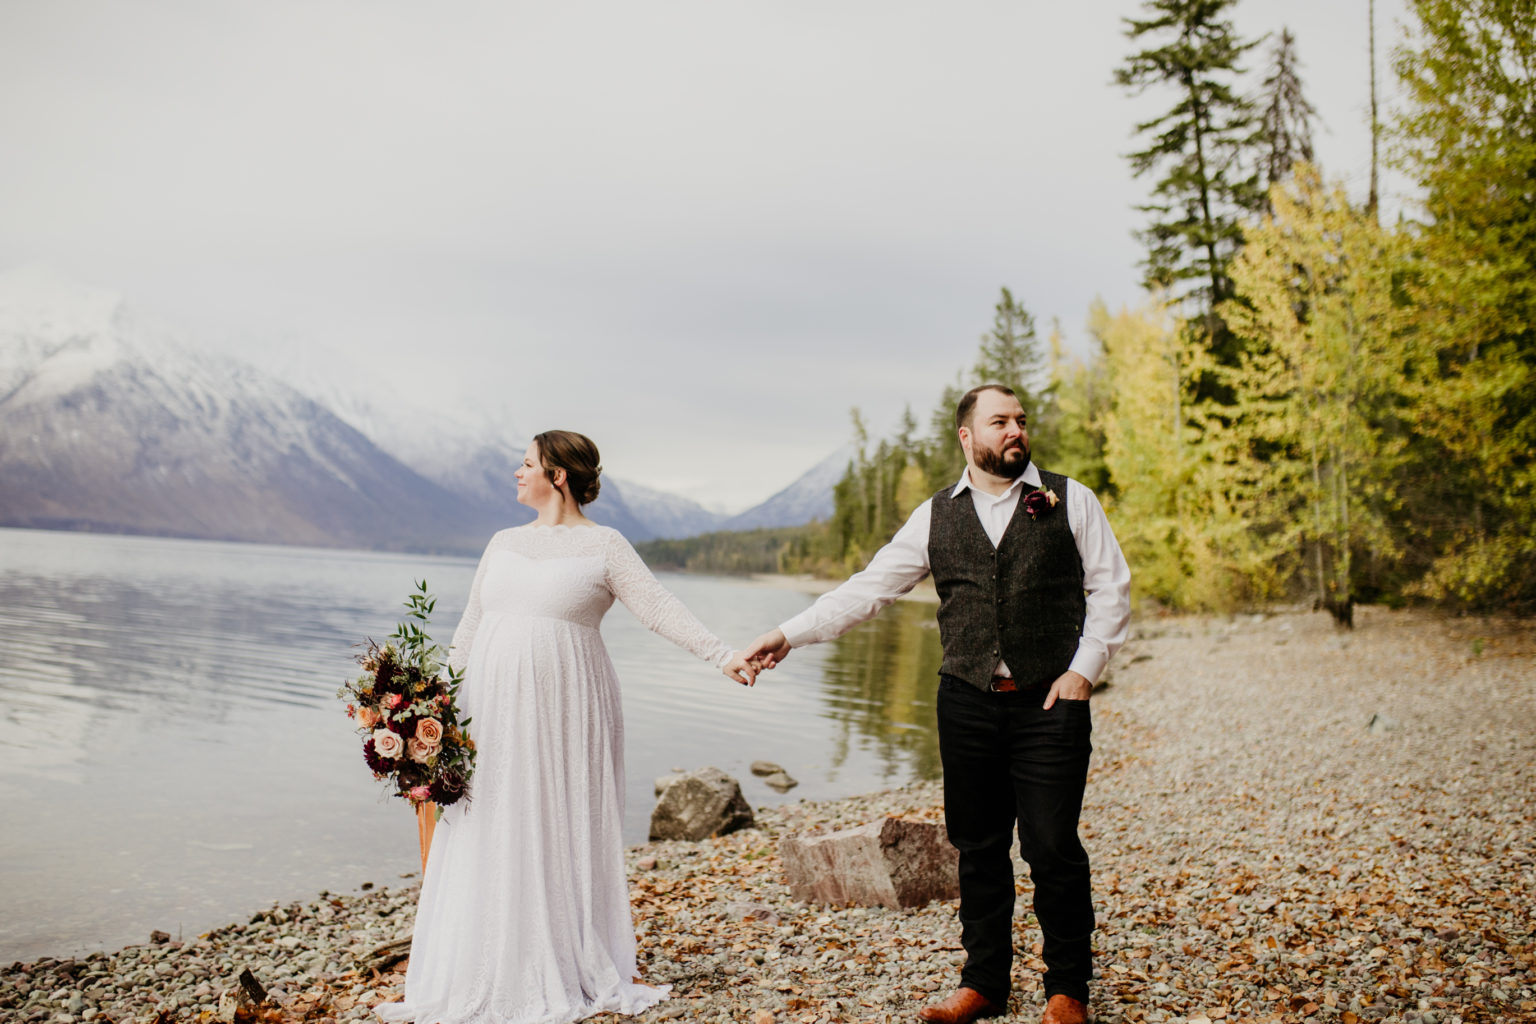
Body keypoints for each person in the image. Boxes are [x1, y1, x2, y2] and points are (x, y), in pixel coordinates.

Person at [744, 385, 1130, 1024]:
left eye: (1020, 421)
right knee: (976, 846)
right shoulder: (935, 515)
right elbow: (870, 589)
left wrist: (1085, 672)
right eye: (999, 422)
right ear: (966, 437)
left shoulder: (1072, 499)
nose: (1015, 431)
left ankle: (1068, 989)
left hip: (1050, 702)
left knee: (1052, 845)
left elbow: (1111, 589)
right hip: (967, 702)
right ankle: (983, 984)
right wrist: (789, 634)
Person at [377, 429, 757, 1024]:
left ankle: (560, 954)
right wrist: (430, 707)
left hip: (568, 706)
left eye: (526, 463)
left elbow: (657, 607)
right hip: (489, 706)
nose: (516, 472)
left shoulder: (605, 546)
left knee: (554, 818)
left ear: (557, 476)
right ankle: (483, 955)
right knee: (492, 817)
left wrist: (723, 655)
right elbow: (470, 627)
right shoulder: (502, 542)